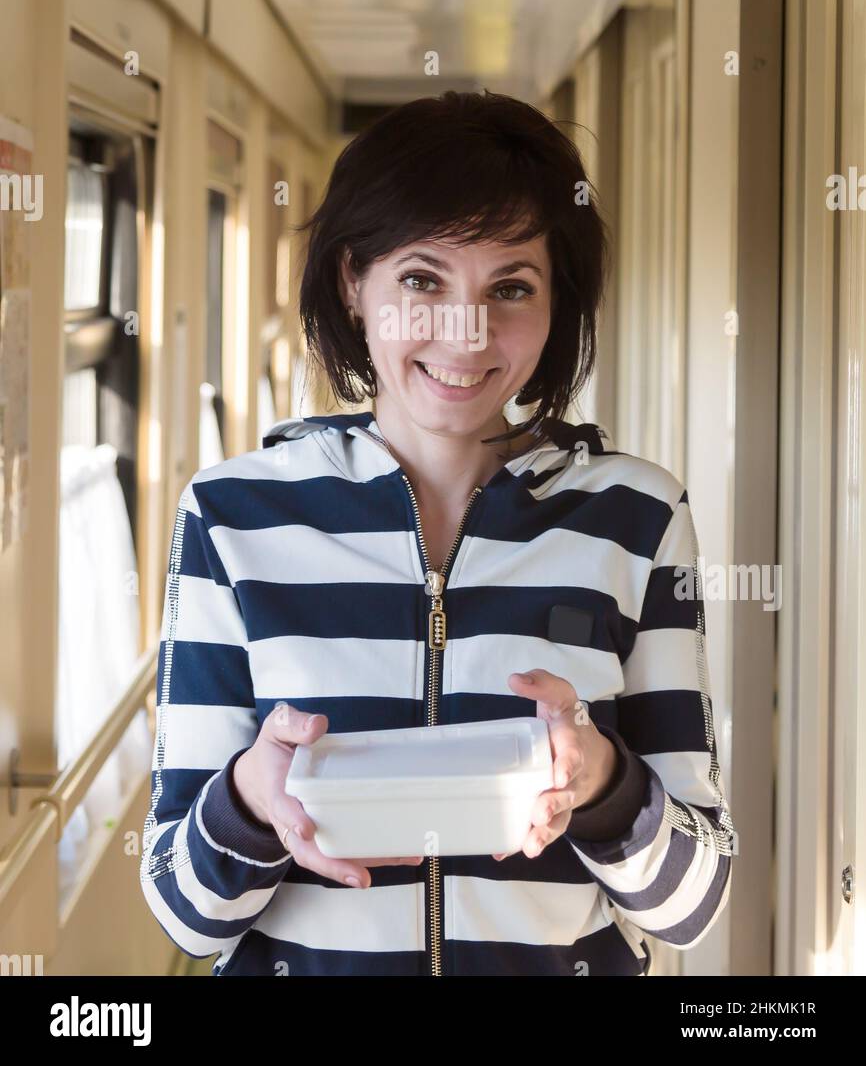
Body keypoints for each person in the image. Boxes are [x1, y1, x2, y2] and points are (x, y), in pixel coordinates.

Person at [140, 89, 736, 976]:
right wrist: (250, 800)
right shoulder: (234, 515)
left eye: (512, 287)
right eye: (422, 280)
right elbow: (187, 917)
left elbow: (693, 907)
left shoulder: (637, 518)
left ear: (556, 302)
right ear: (353, 284)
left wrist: (603, 782)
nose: (467, 334)